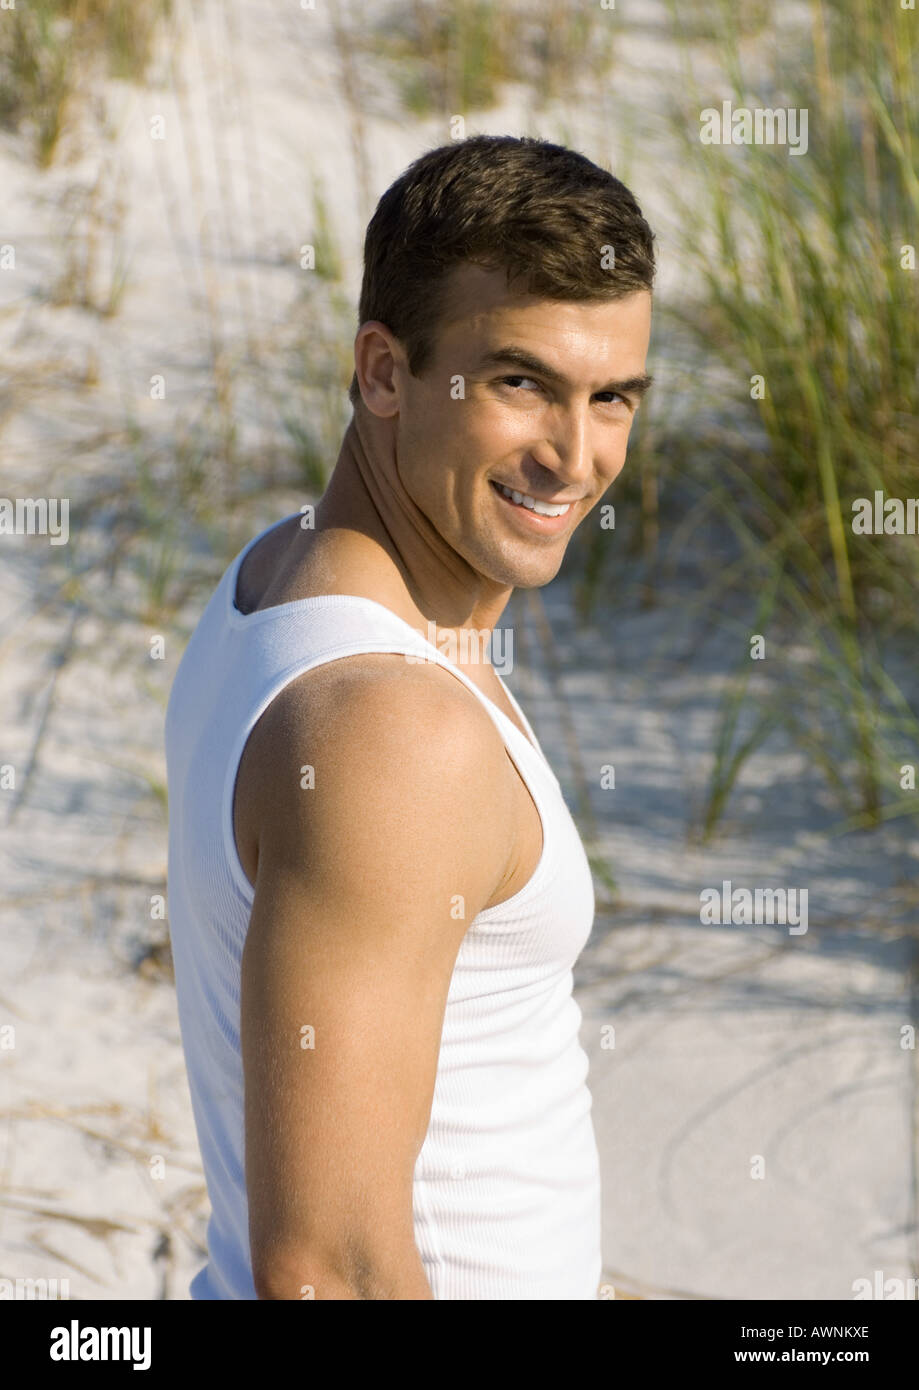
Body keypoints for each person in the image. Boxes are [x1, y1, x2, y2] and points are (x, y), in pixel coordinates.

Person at [164, 133, 654, 1300]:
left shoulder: (279, 572)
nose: (572, 458)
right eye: (520, 383)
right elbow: (324, 1270)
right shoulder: (389, 734)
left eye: (611, 398)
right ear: (383, 372)